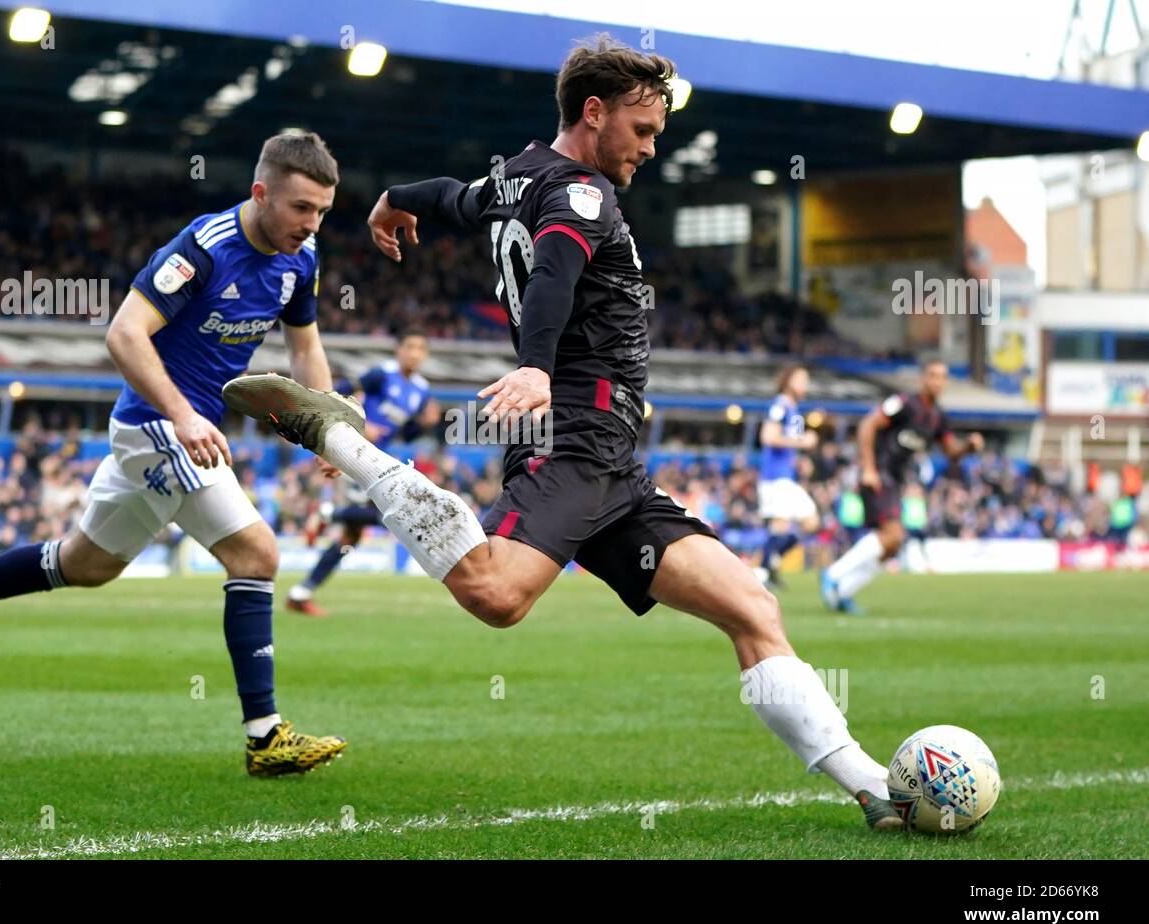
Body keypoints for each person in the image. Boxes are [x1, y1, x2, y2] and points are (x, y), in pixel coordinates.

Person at [226, 36, 904, 828]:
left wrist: (395, 196)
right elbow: (553, 271)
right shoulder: (582, 194)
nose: (650, 149)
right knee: (496, 595)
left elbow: (455, 197)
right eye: (643, 131)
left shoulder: (516, 176)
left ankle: (875, 788)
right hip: (572, 432)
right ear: (594, 112)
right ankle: (342, 441)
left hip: (613, 462)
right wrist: (540, 365)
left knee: (753, 605)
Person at [0, 132, 348, 777]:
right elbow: (124, 334)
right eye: (302, 207)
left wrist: (325, 429)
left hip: (183, 431)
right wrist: (184, 414)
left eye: (322, 211)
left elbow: (304, 348)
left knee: (85, 564)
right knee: (257, 553)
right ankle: (265, 736)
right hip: (158, 426)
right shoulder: (203, 250)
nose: (312, 223)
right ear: (260, 192)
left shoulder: (304, 257)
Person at [287, 327, 439, 615]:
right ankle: (326, 514)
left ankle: (300, 592)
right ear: (399, 350)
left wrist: (424, 426)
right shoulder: (381, 374)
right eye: (410, 347)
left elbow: (403, 433)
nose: (415, 354)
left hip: (378, 456)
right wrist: (360, 424)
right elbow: (339, 394)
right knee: (382, 516)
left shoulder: (421, 389)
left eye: (421, 349)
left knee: (351, 536)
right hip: (353, 450)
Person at [821, 357, 983, 614]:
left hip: (894, 479)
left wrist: (968, 447)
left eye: (942, 376)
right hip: (878, 472)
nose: (938, 381)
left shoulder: (938, 417)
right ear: (922, 378)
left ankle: (841, 592)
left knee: (892, 546)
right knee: (893, 535)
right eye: (933, 375)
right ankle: (833, 574)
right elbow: (867, 425)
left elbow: (951, 450)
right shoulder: (904, 404)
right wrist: (869, 468)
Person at [755, 365, 819, 588]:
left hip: (787, 476)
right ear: (788, 381)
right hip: (775, 478)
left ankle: (770, 563)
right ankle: (762, 571)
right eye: (801, 379)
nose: (805, 385)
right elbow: (768, 437)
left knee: (811, 521)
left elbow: (785, 445)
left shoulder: (795, 411)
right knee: (780, 524)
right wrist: (803, 442)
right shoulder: (780, 405)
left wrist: (800, 460)